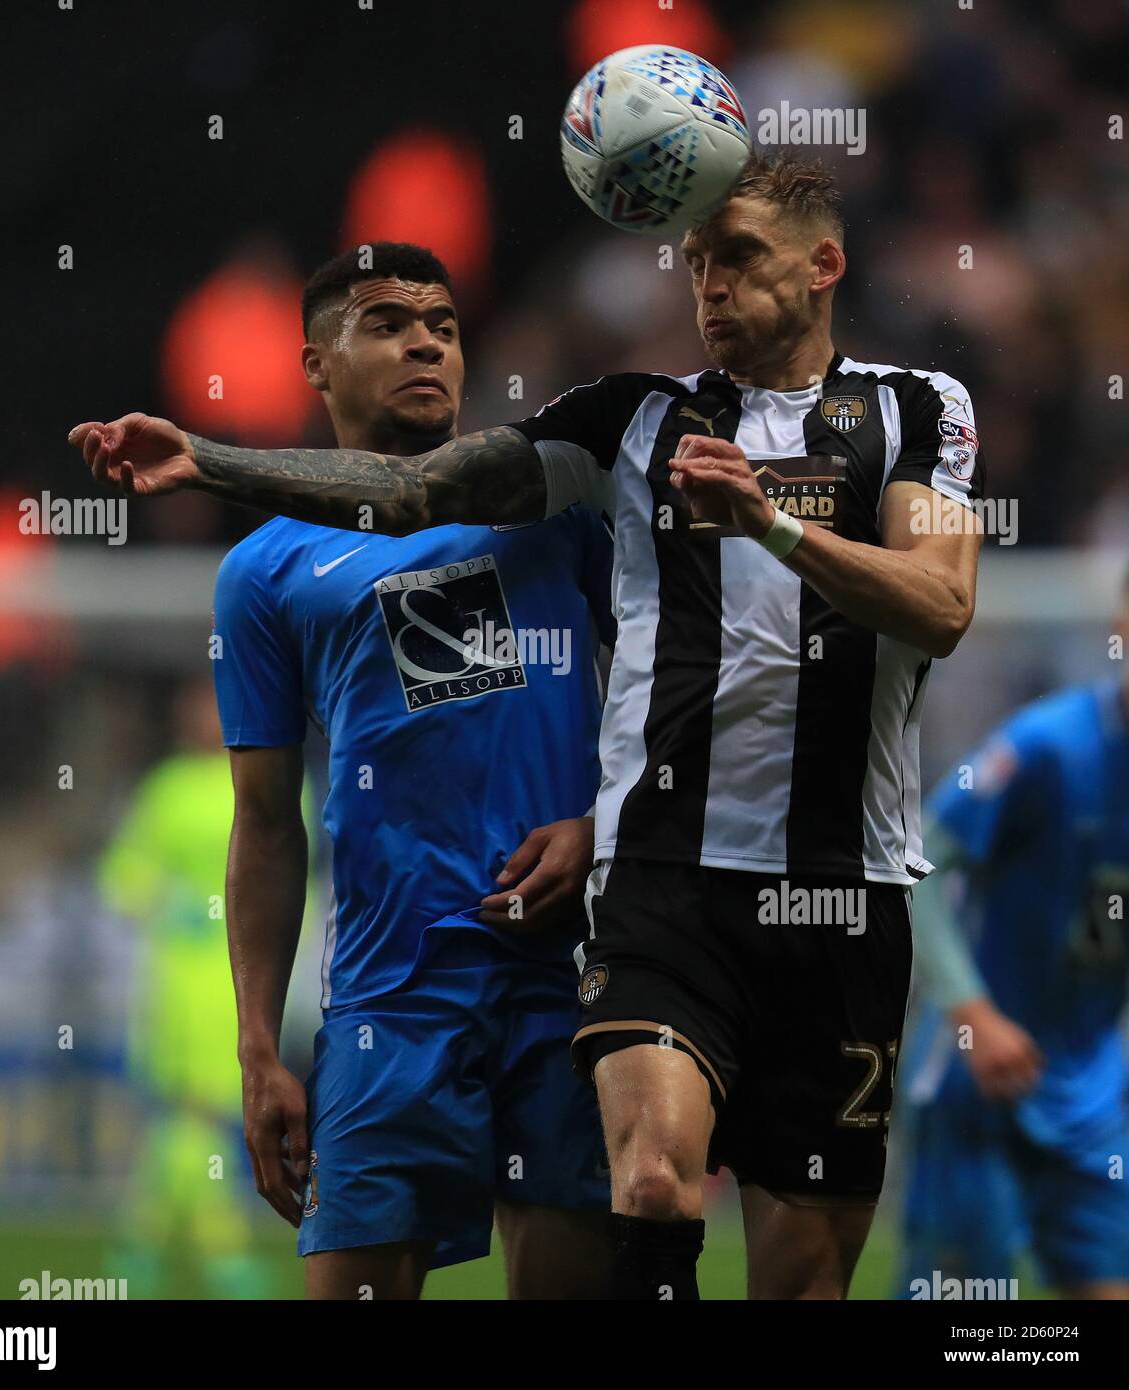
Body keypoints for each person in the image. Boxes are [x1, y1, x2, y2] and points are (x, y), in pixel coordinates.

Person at [71, 153, 985, 1300]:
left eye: (443, 326)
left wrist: (601, 815)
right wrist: (208, 459)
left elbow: (917, 614)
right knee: (642, 1184)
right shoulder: (608, 437)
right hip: (509, 948)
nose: (706, 283)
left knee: (770, 1269)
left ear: (824, 265)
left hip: (716, 919)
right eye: (694, 260)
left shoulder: (893, 414)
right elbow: (405, 514)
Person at [101, 242, 616, 1299]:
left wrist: (607, 821)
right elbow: (265, 821)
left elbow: (679, 681)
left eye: (443, 322)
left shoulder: (553, 505)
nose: (427, 339)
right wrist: (257, 1050)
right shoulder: (265, 572)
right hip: (395, 992)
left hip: (566, 971)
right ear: (316, 364)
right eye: (386, 322)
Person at [899, 573, 1129, 1300]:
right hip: (980, 1079)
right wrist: (974, 1014)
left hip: (1092, 1094)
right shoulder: (1047, 747)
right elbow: (922, 859)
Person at [99, 677, 271, 1298]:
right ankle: (222, 1255)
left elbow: (291, 865)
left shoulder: (267, 778)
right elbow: (121, 875)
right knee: (192, 1117)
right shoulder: (165, 789)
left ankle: (138, 1247)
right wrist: (168, 902)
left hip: (244, 978)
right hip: (176, 982)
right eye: (197, 707)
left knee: (187, 1125)